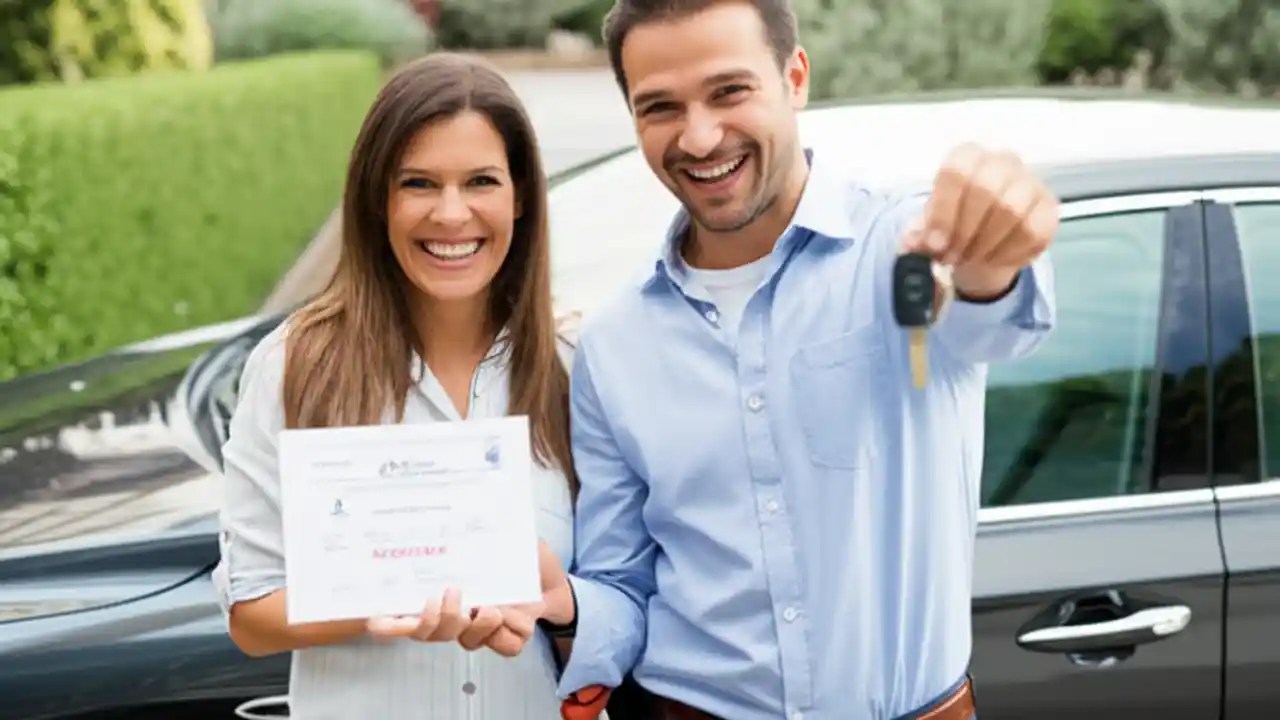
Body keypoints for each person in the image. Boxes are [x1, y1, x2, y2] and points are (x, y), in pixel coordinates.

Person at [525, 1, 1059, 719]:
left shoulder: (901, 253)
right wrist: (568, 606)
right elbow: (624, 588)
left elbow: (987, 317)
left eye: (729, 91)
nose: (700, 135)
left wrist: (995, 258)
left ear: (795, 78)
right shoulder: (614, 344)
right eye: (660, 107)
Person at [211, 52, 581, 720]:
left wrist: (558, 602)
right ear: (377, 198)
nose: (451, 213)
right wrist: (379, 594)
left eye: (480, 181)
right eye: (418, 183)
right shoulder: (294, 366)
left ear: (519, 195)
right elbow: (250, 612)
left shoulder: (572, 368)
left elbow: (622, 596)